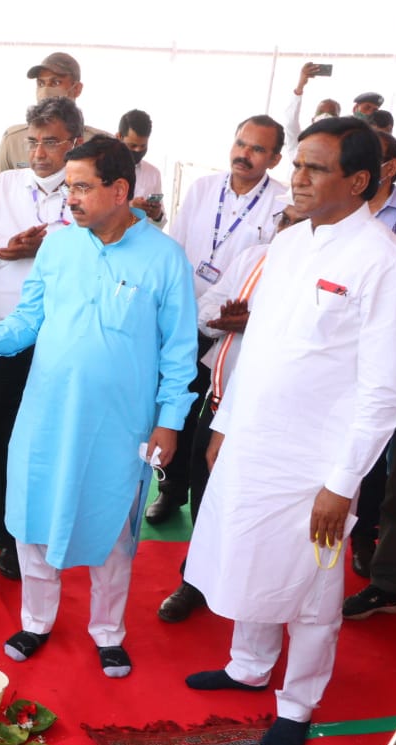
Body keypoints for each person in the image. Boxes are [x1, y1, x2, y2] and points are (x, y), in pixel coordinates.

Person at [184, 117, 396, 745]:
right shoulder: (287, 246)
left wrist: (342, 483)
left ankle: (298, 700)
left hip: (319, 460)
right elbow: (258, 347)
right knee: (248, 554)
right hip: (254, 437)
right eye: (298, 165)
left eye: (316, 168)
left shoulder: (386, 261)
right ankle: (248, 666)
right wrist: (226, 424)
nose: (298, 178)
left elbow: (382, 391)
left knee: (315, 585)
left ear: (359, 180)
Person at [0, 136, 198, 677]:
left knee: (112, 530)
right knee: (35, 520)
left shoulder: (164, 258)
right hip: (46, 413)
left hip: (119, 425)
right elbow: (28, 320)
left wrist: (169, 423)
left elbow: (180, 356)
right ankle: (36, 621)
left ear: (120, 190)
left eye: (83, 187)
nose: (71, 199)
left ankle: (108, 632)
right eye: (70, 187)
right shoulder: (60, 246)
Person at [150, 116, 288, 622]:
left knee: (234, 472)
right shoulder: (206, 189)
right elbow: (180, 255)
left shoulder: (282, 210)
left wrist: (238, 320)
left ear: (275, 159)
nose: (244, 155)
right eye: (240, 144)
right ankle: (169, 496)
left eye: (258, 150)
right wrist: (189, 318)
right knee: (178, 422)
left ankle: (233, 581)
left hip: (249, 366)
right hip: (193, 330)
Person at [0, 96, 83, 581]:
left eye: (50, 142)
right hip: (1, 337)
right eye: (32, 142)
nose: (38, 152)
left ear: (73, 143)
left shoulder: (84, 190)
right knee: (3, 436)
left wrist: (48, 246)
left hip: (62, 341)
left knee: (53, 440)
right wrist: (7, 250)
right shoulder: (4, 186)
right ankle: (8, 539)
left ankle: (52, 533)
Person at [344, 131, 396, 576]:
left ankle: (362, 536)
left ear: (389, 168)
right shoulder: (336, 215)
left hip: (389, 342)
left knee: (375, 442)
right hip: (334, 346)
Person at [0, 52, 108, 174]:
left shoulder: (101, 144)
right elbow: (1, 189)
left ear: (77, 89)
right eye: (41, 83)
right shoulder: (13, 140)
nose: (46, 90)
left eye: (56, 82)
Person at [116, 109, 165, 226]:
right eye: (132, 145)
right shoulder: (101, 167)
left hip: (142, 240)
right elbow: (96, 213)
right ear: (119, 137)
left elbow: (161, 224)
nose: (138, 150)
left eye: (143, 146)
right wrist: (129, 207)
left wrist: (157, 215)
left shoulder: (153, 174)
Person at [282, 63, 339, 161]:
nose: (325, 116)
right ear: (313, 120)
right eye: (320, 112)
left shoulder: (340, 150)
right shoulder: (298, 142)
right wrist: (300, 85)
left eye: (331, 113)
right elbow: (290, 121)